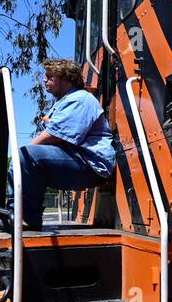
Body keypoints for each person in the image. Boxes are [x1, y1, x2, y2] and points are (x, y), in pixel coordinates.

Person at [12, 59, 115, 230]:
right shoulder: (64, 102)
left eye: (50, 76)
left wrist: (20, 156)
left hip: (90, 164)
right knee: (25, 159)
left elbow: (54, 135)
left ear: (66, 78)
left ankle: (27, 218)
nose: (44, 80)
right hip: (76, 160)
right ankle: (13, 212)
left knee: (26, 156)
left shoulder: (80, 99)